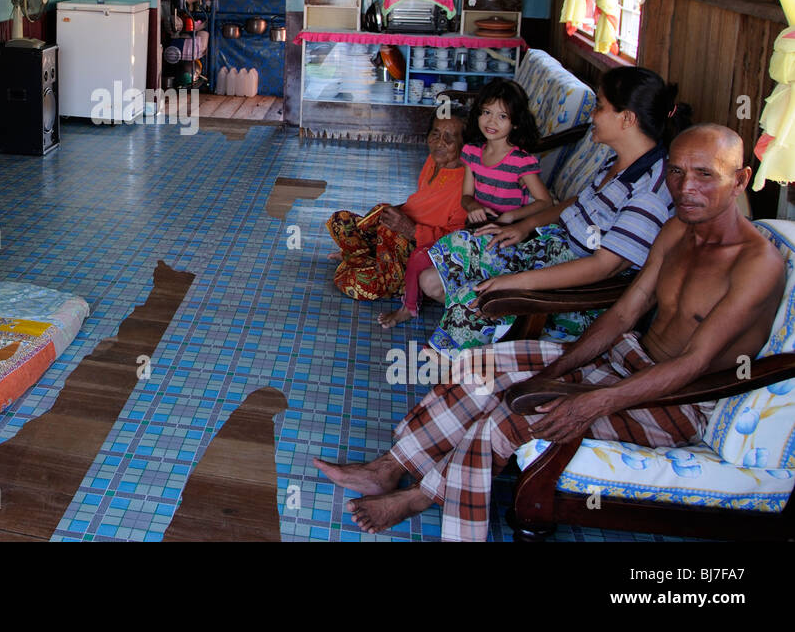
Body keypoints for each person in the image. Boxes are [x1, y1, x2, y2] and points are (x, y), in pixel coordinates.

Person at [314, 125, 784, 541]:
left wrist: (588, 401)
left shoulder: (756, 264)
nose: (686, 187)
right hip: (622, 359)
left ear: (740, 180)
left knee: (514, 417)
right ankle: (388, 468)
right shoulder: (677, 232)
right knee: (481, 365)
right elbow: (623, 316)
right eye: (677, 172)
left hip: (675, 401)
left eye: (705, 174)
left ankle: (420, 496)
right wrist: (557, 370)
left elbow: (692, 363)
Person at [421, 66, 689, 352]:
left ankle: (488, 345)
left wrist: (513, 282)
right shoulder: (621, 162)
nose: (592, 115)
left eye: (599, 107)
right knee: (453, 252)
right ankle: (490, 339)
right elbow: (578, 202)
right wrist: (523, 227)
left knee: (470, 301)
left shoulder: (650, 191)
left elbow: (604, 267)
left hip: (573, 289)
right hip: (548, 248)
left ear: (627, 118)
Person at [327, 110, 467, 326]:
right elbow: (420, 203)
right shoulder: (432, 160)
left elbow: (454, 242)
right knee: (340, 221)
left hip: (420, 249)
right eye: (436, 133)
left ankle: (367, 262)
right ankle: (362, 256)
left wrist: (411, 230)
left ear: (464, 143)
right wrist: (394, 212)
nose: (440, 142)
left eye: (451, 137)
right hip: (398, 234)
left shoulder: (466, 186)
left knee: (351, 282)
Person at [458, 79, 552, 225]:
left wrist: (511, 216)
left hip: (509, 229)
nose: (491, 121)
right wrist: (473, 206)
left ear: (516, 123)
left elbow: (545, 202)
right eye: (487, 112)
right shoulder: (471, 152)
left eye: (502, 116)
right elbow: (466, 196)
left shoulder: (521, 161)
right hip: (478, 224)